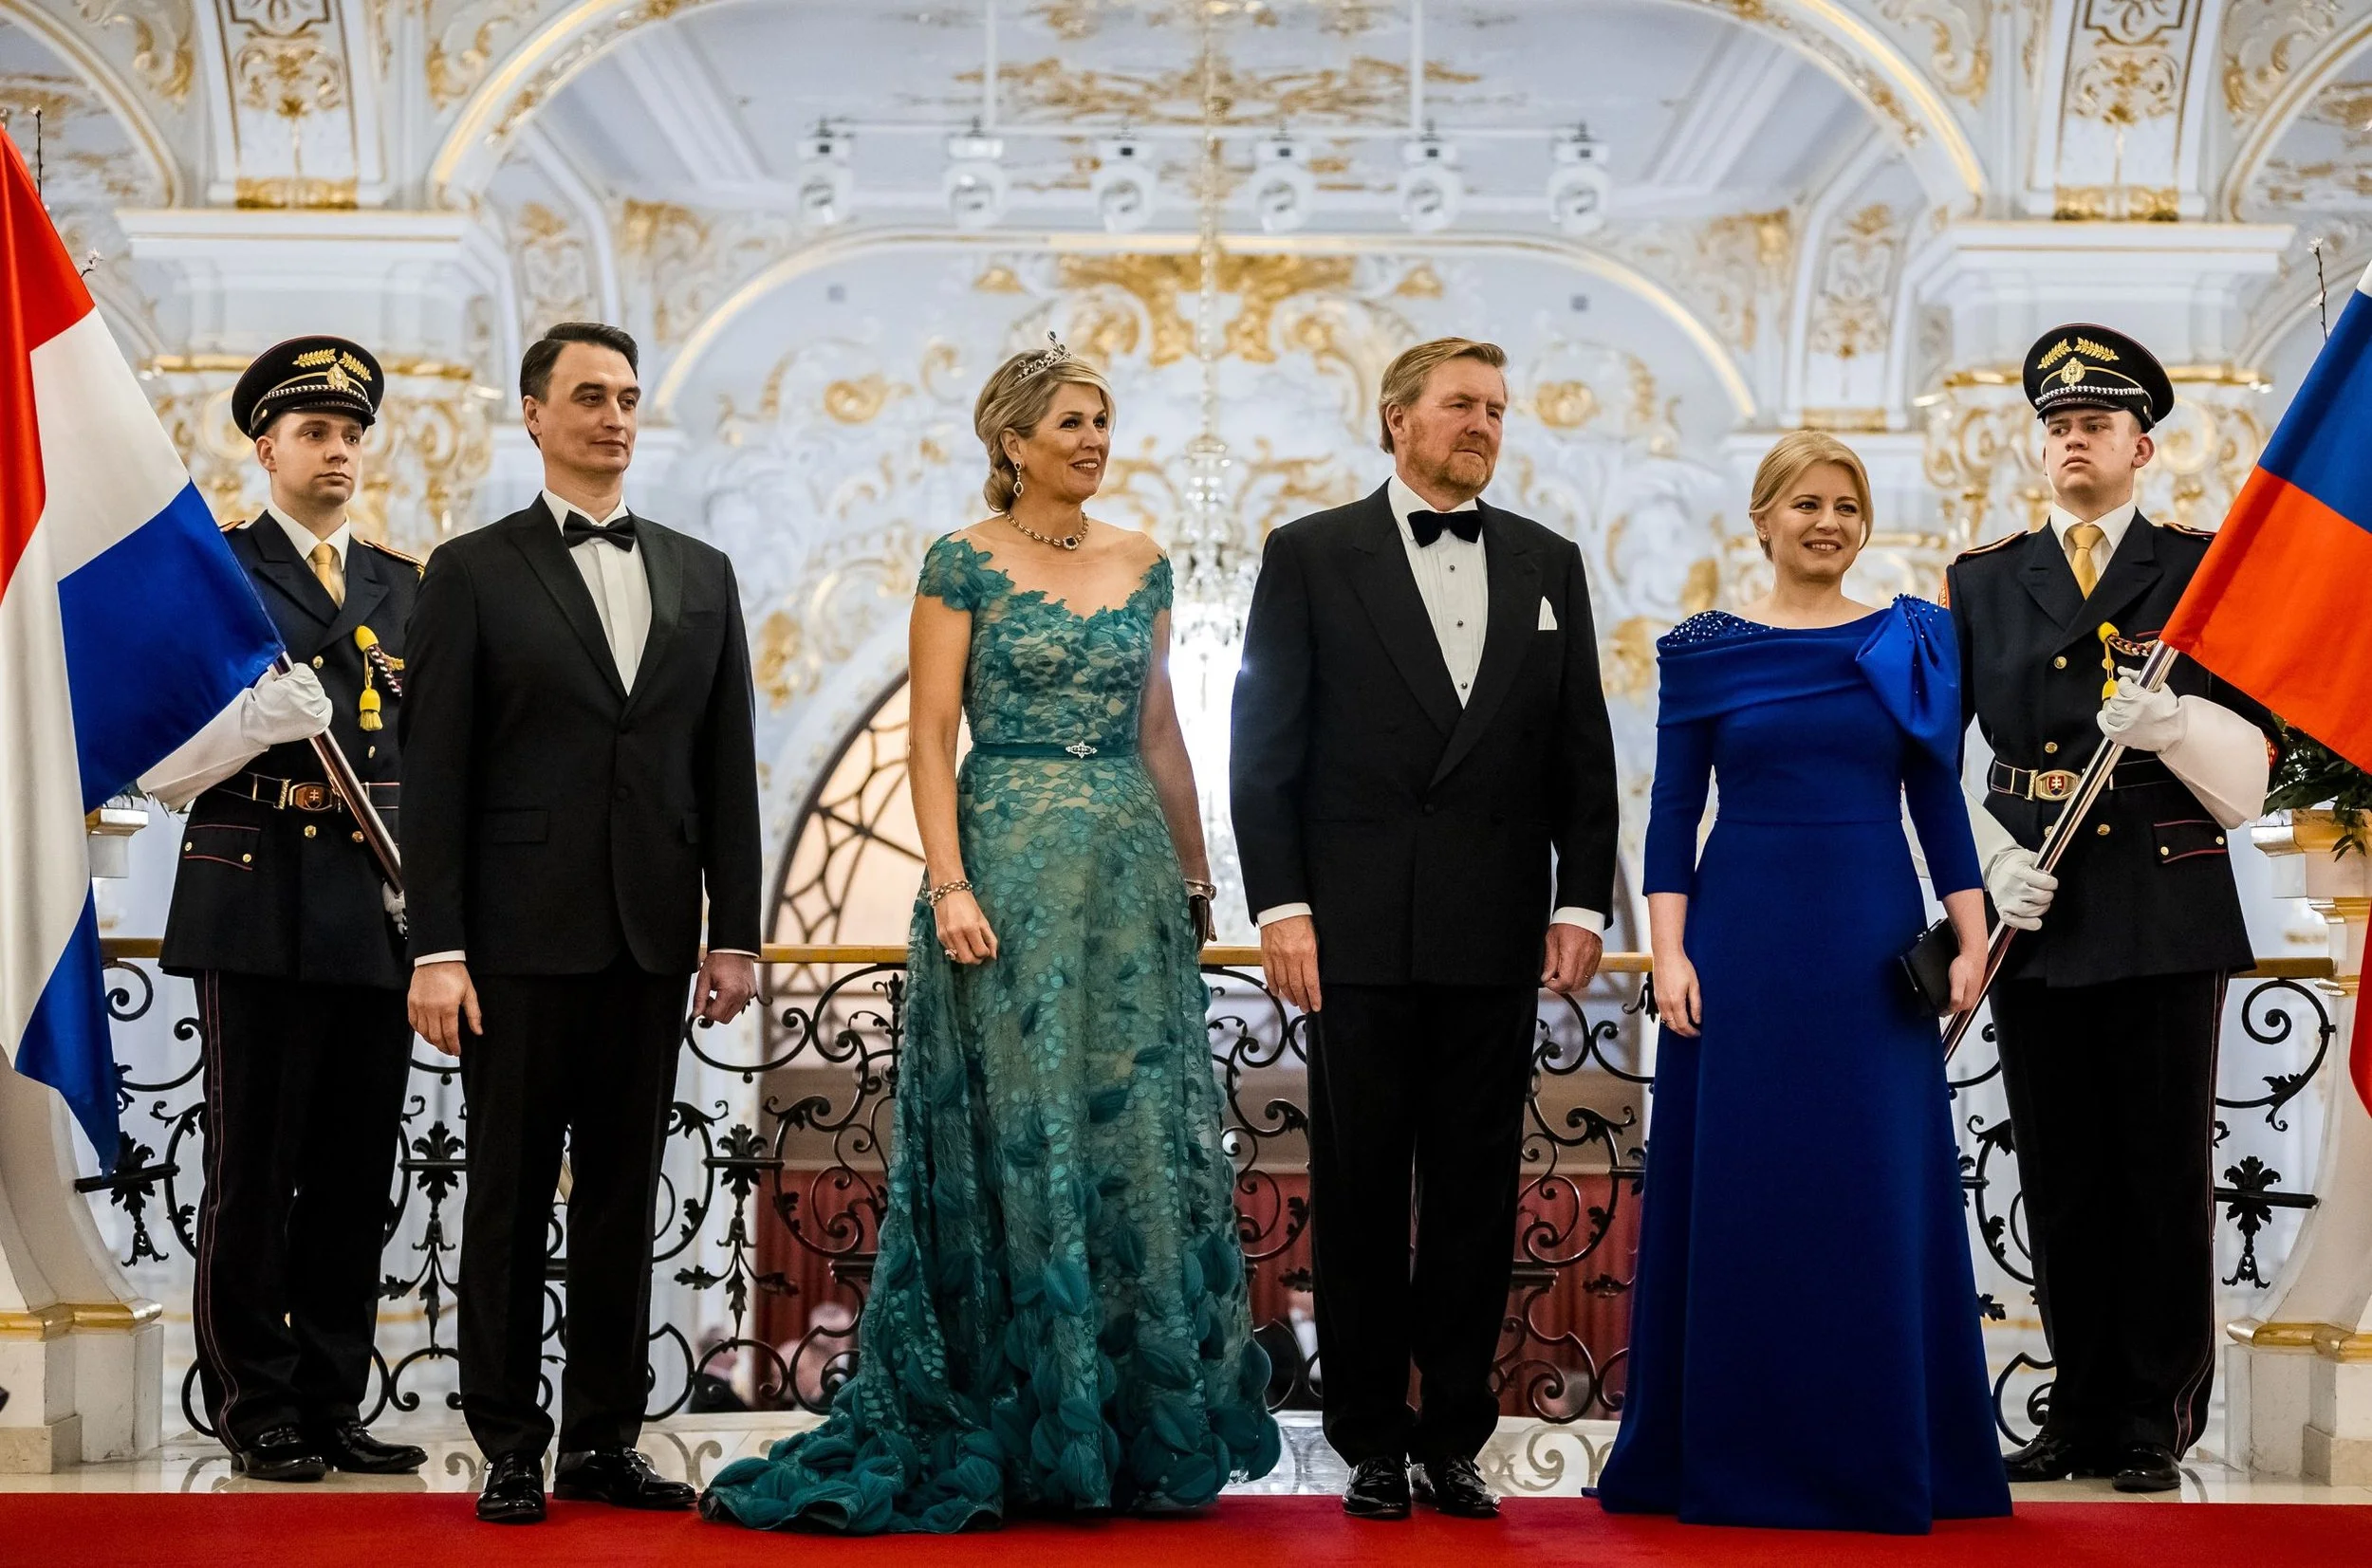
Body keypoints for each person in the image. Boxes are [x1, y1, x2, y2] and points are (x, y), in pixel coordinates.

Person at [700, 338, 1279, 1535]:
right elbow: (928, 737)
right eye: (1071, 421)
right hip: (1003, 864)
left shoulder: (1146, 560)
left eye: (1102, 420)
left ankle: (1123, 1419)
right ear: (1013, 441)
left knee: (1130, 1138)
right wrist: (950, 881)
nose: (1094, 440)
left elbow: (1161, 730)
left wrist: (1194, 875)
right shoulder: (960, 560)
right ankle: (1017, 1413)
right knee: (1021, 1130)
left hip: (1125, 871)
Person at [1229, 338, 1620, 1522]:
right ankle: (1368, 1439)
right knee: (1354, 1191)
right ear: (1395, 419)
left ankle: (1453, 1436)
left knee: (1474, 1196)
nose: (1483, 424)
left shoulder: (1549, 561)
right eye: (1460, 405)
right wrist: (1282, 908)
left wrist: (1579, 900)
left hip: (1494, 927)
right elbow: (1265, 746)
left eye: (1496, 408)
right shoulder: (1308, 553)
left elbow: (1582, 750)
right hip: (1351, 934)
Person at [1592, 432, 2011, 1533]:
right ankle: (1730, 1456)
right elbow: (1672, 811)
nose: (1829, 523)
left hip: (1870, 939)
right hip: (1741, 941)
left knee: (1874, 1185)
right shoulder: (1700, 649)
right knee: (1747, 1187)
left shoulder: (1912, 636)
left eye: (1846, 506)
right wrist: (1669, 953)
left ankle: (1881, 1455)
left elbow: (1939, 802)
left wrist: (1973, 940)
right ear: (1762, 519)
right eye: (1807, 504)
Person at [401, 321, 764, 1524]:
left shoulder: (702, 572)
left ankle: (603, 1440)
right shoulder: (469, 570)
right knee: (507, 1199)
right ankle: (510, 1442)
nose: (614, 417)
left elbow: (727, 768)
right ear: (535, 415)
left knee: (621, 1199)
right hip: (511, 942)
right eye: (590, 396)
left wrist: (735, 930)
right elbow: (433, 774)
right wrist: (437, 948)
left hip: (651, 939)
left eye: (627, 398)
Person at [1946, 325, 2272, 1493]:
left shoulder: (2199, 568)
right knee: (2060, 1170)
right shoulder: (1983, 580)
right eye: (2057, 426)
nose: (2071, 440)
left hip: (2159, 892)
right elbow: (1943, 757)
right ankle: (2077, 1411)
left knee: (2159, 1168)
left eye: (2095, 424)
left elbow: (2260, 757)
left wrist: (2175, 725)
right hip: (2037, 900)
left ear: (2143, 446)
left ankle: (2149, 1418)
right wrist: (1990, 865)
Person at [140, 335, 426, 1483]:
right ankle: (254, 1403)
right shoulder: (216, 572)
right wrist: (251, 726)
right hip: (253, 894)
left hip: (371, 902)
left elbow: (428, 756)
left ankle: (332, 1400)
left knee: (356, 1173)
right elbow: (157, 765)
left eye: (351, 433)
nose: (337, 451)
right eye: (314, 432)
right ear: (265, 449)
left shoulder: (404, 586)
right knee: (254, 1169)